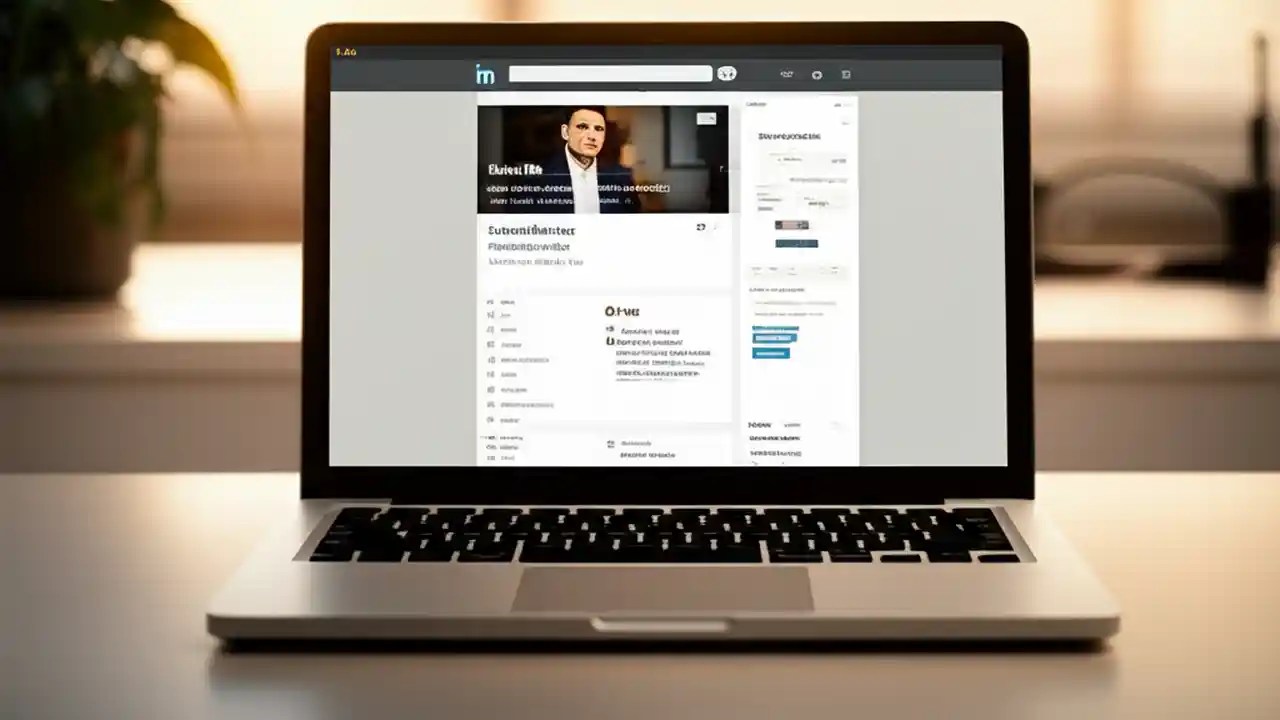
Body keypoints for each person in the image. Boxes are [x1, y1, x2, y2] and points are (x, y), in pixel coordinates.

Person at [511, 107, 641, 213]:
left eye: (598, 129)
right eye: (583, 127)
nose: (591, 136)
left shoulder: (620, 180)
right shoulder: (535, 182)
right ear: (566, 132)